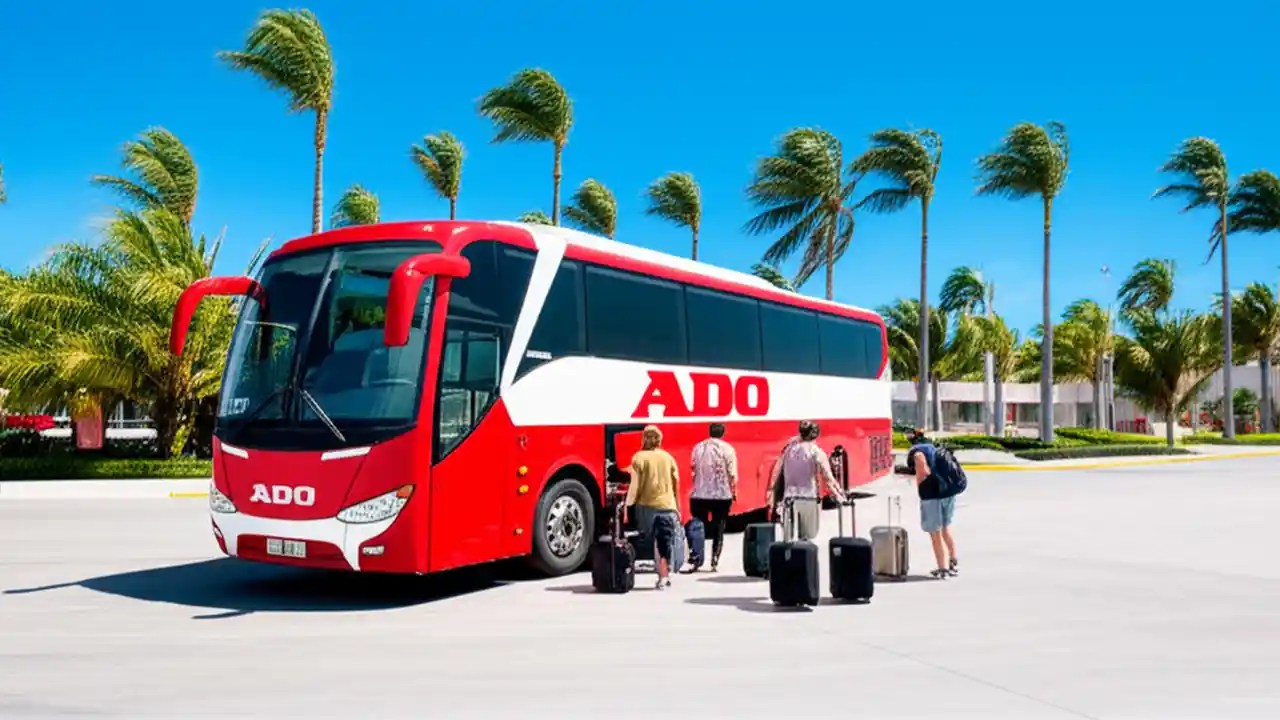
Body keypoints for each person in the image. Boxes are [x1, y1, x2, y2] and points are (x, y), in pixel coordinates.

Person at [765, 420, 846, 541]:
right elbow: (828, 478)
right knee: (807, 538)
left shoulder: (788, 449)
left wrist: (770, 489)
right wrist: (839, 493)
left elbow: (776, 469)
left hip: (789, 499)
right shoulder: (816, 451)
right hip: (809, 498)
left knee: (788, 539)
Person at [625, 425, 682, 590]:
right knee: (664, 541)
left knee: (649, 539)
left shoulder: (639, 458)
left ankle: (653, 572)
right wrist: (678, 508)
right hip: (668, 506)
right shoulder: (668, 458)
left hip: (647, 507)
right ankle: (664, 576)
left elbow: (634, 487)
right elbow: (676, 483)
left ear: (644, 439)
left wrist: (629, 506)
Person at [906, 428, 959, 579]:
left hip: (932, 495)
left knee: (935, 533)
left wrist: (921, 490)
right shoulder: (935, 448)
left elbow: (923, 472)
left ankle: (943, 569)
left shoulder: (918, 453)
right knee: (945, 528)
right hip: (948, 492)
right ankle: (953, 562)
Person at [689, 422, 738, 572]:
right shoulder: (728, 449)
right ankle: (715, 559)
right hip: (721, 495)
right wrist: (734, 491)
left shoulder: (698, 447)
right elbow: (732, 473)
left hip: (699, 494)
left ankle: (697, 558)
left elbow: (693, 469)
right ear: (723, 433)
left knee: (699, 526)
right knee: (719, 527)